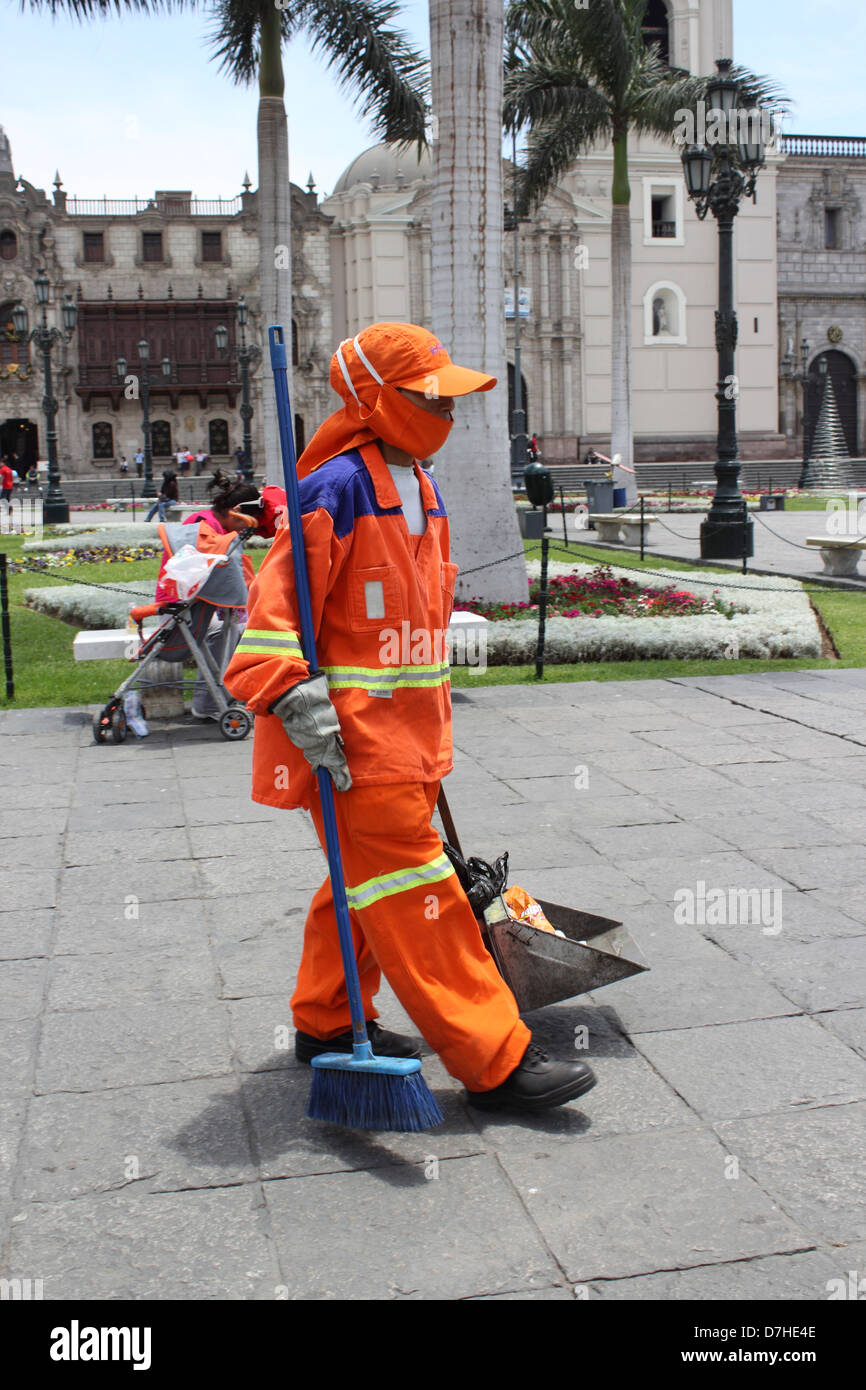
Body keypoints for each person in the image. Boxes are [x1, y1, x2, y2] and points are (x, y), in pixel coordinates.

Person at [223, 321, 597, 1113]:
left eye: (447, 396)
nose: (446, 412)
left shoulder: (419, 484)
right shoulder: (336, 491)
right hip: (353, 747)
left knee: (360, 884)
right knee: (420, 895)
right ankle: (495, 1059)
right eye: (429, 397)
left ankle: (327, 1020)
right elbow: (273, 611)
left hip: (414, 741)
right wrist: (291, 690)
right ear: (376, 399)